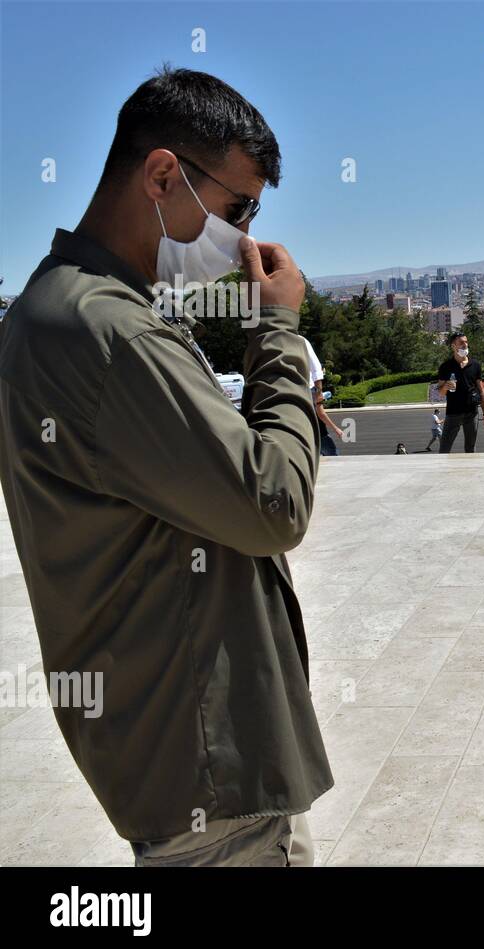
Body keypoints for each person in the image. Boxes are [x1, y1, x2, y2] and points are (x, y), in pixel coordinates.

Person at [0, 67, 330, 865]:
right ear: (161, 175)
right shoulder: (109, 333)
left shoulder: (57, 310)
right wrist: (279, 334)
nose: (246, 236)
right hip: (209, 769)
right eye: (238, 206)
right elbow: (273, 503)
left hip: (177, 754)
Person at [436, 332, 484, 452]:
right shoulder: (446, 366)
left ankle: (471, 471)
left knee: (470, 449)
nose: (465, 345)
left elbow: (481, 390)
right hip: (453, 413)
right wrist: (445, 386)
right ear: (453, 346)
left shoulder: (475, 365)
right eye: (461, 342)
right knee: (444, 448)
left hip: (472, 413)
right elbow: (440, 392)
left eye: (466, 342)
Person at [301, 335, 344, 455]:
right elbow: (321, 413)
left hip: (305, 436)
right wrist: (337, 429)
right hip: (320, 435)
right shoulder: (301, 341)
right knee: (332, 454)